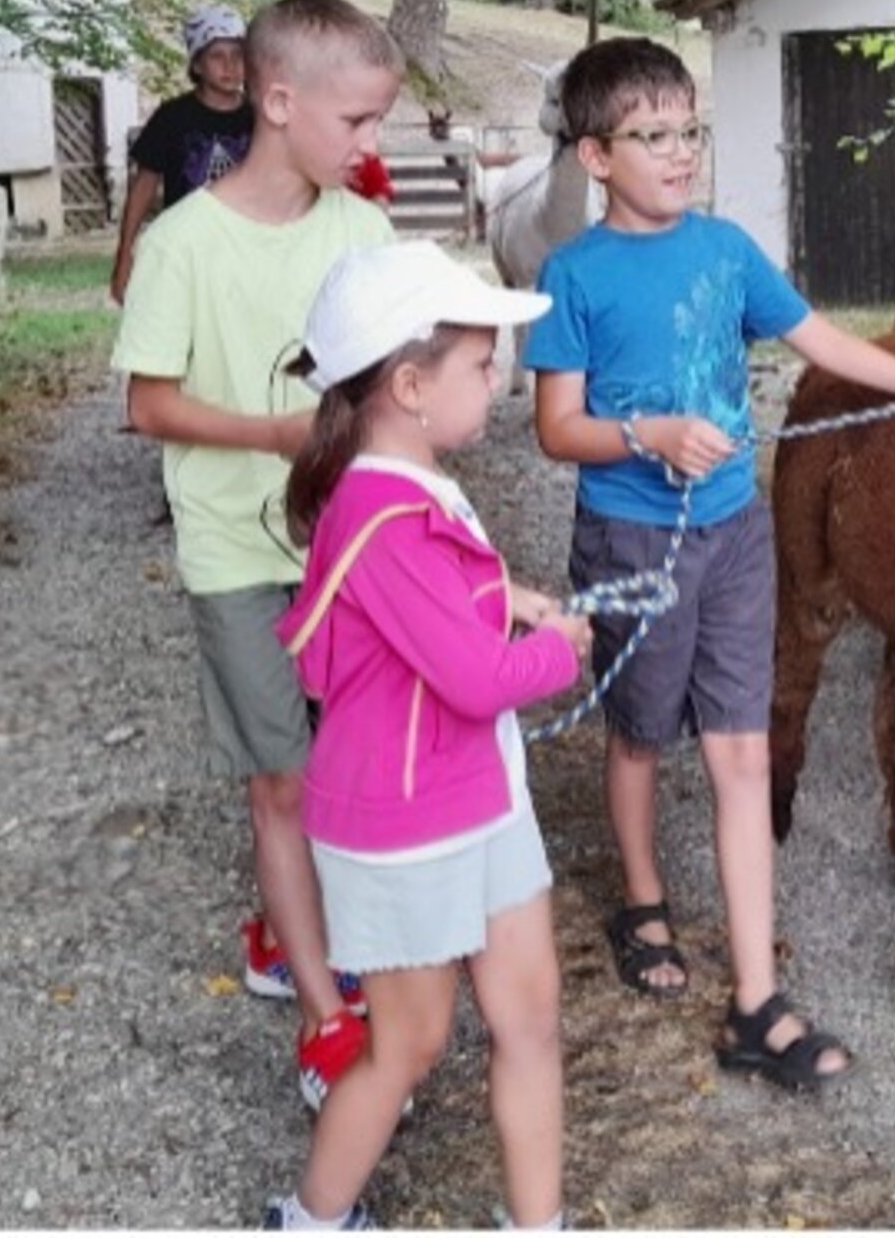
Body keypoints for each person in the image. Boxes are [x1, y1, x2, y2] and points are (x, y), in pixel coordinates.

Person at [526, 37, 895, 1089]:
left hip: (731, 535)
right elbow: (554, 428)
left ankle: (755, 998)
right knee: (636, 738)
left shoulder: (724, 250)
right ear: (594, 155)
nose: (679, 152)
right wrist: (649, 434)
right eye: (651, 135)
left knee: (741, 753)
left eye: (688, 130)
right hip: (632, 537)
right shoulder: (572, 274)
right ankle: (642, 900)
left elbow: (825, 341)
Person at [110, 0, 401, 1114]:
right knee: (280, 778)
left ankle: (319, 931)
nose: (372, 147)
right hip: (235, 548)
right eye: (357, 124)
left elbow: (391, 390)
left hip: (347, 551)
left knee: (355, 764)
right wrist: (277, 434)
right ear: (279, 102)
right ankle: (328, 1010)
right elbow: (148, 405)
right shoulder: (182, 242)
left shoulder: (364, 234)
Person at [264, 241, 591, 1233]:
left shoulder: (410, 485)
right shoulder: (382, 509)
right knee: (406, 1043)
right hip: (404, 820)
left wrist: (512, 596)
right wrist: (561, 649)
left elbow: (448, 600)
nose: (497, 382)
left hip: (477, 795)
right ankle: (312, 1216)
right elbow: (472, 674)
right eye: (482, 365)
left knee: (528, 1016)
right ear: (409, 384)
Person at [110, 4, 255, 305]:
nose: (230, 65)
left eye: (238, 55)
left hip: (248, 251)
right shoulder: (172, 117)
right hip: (187, 255)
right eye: (217, 56)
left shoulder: (262, 116)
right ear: (197, 65)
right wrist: (125, 254)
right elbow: (144, 185)